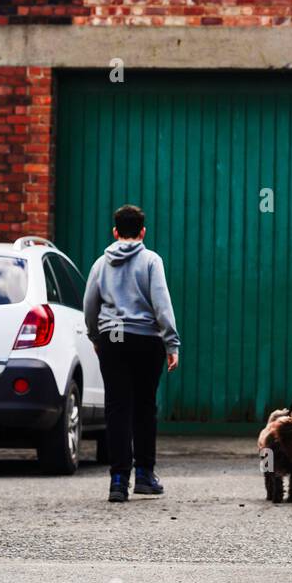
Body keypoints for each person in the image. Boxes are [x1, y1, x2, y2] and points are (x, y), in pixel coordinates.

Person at [83, 203, 181, 504]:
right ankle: (145, 476)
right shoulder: (151, 260)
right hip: (146, 339)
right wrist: (171, 343)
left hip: (112, 339)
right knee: (144, 407)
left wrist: (95, 336)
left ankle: (117, 479)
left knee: (117, 408)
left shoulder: (101, 263)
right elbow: (161, 304)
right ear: (142, 231)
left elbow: (90, 303)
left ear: (115, 231)